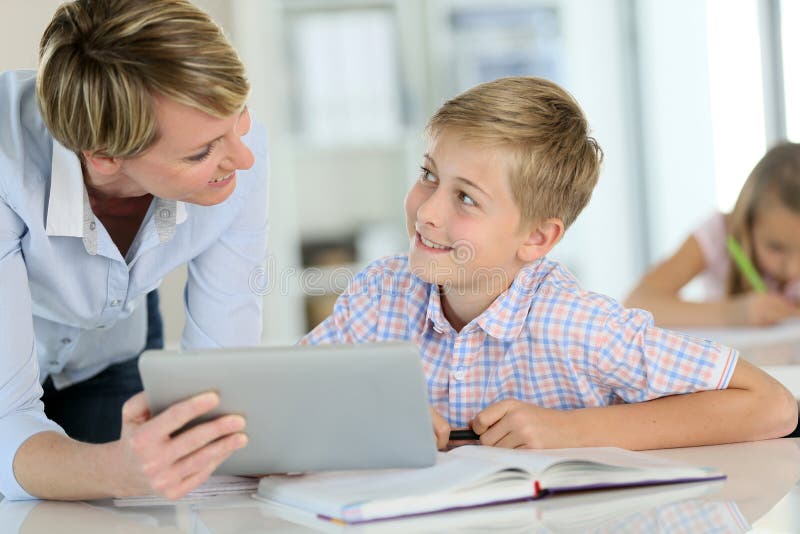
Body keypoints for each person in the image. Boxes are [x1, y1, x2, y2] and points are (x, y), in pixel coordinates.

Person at [301, 77, 797, 451]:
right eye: (429, 175)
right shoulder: (380, 295)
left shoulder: (579, 326)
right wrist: (366, 415)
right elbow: (288, 399)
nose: (427, 212)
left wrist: (573, 429)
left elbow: (773, 405)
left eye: (466, 198)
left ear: (537, 238)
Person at [0, 0, 268, 500]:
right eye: (200, 152)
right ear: (104, 156)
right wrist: (117, 472)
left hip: (111, 347)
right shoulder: (6, 166)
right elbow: (5, 424)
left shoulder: (230, 147)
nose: (245, 157)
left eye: (241, 117)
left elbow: (220, 374)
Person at [625, 143, 800, 327]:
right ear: (747, 225)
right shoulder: (718, 234)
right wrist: (736, 314)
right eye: (776, 248)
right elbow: (636, 304)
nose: (794, 269)